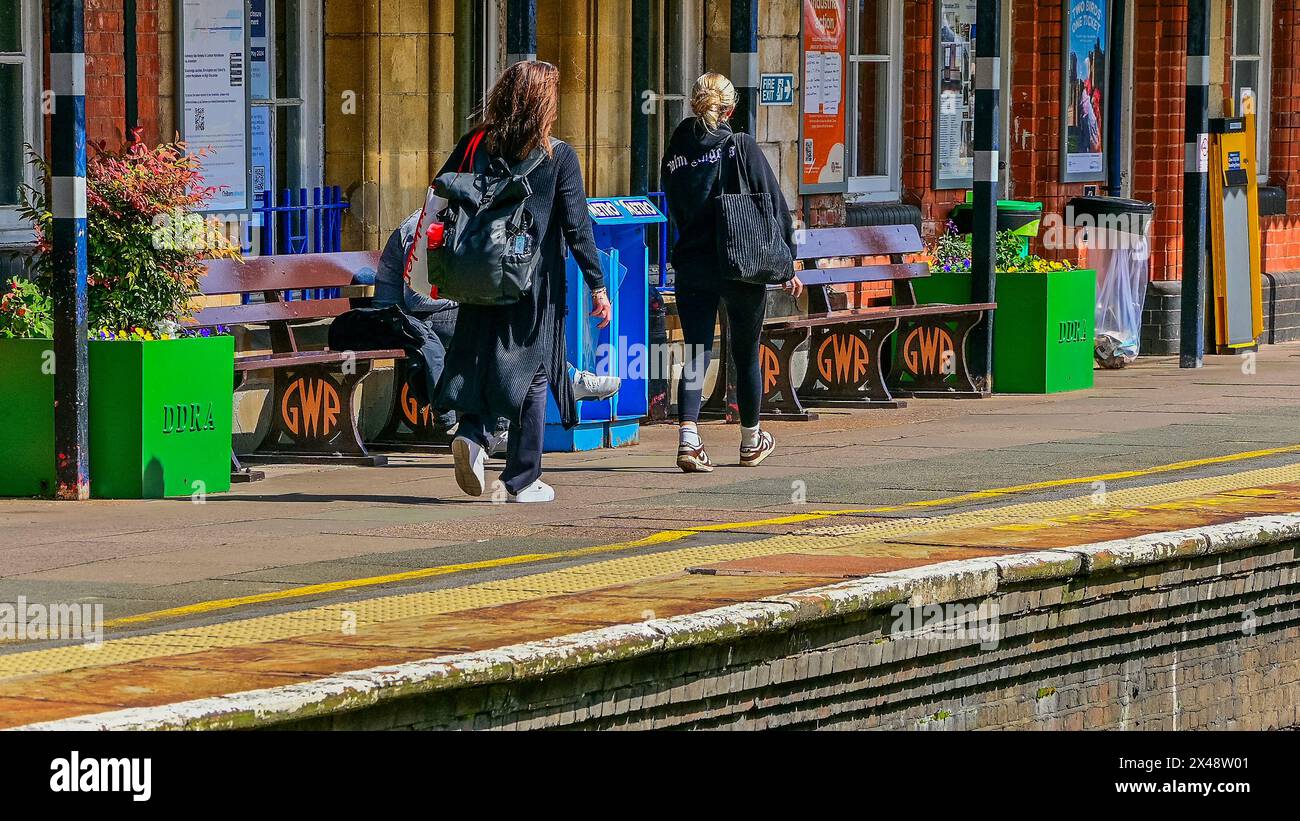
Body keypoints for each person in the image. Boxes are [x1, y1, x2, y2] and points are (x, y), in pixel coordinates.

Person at [433, 60, 611, 504]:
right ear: (542, 105)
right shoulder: (558, 156)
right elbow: (577, 226)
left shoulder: (476, 142)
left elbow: (443, 190)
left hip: (477, 274)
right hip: (532, 283)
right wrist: (598, 285)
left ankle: (472, 436)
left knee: (478, 358)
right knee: (532, 373)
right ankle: (521, 477)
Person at [373, 208, 621, 451]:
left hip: (430, 315)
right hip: (405, 318)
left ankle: (548, 390)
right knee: (498, 325)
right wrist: (468, 297)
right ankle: (563, 381)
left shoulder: (465, 224)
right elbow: (416, 299)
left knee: (509, 321)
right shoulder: (425, 225)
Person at [660, 72, 802, 473]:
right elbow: (774, 205)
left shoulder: (676, 150)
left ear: (694, 104)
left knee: (696, 352)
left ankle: (689, 438)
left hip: (692, 263)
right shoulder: (740, 145)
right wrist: (787, 260)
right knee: (744, 352)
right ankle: (751, 441)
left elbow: (672, 199)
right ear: (730, 109)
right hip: (741, 262)